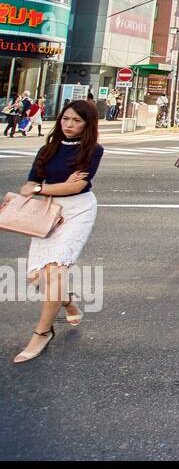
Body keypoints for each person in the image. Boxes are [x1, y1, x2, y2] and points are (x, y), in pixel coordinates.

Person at [11, 100, 104, 364]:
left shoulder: (92, 150)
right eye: (66, 119)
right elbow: (28, 185)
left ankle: (42, 332)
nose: (69, 125)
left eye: (76, 121)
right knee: (38, 277)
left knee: (54, 270)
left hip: (78, 212)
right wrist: (46, 188)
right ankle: (68, 302)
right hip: (49, 213)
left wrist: (42, 189)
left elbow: (75, 188)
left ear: (87, 124)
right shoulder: (47, 149)